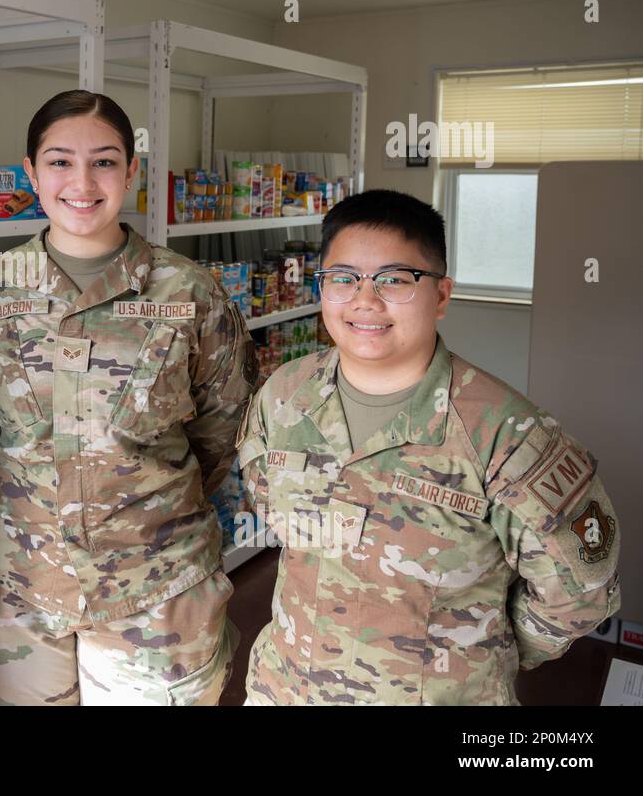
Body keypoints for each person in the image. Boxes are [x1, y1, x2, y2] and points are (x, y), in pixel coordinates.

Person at [236, 189, 621, 705]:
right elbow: (267, 508)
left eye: (395, 279)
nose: (365, 301)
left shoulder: (509, 436)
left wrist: (475, 652)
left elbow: (576, 596)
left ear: (441, 295)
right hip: (284, 687)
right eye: (342, 278)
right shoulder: (283, 395)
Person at [0, 90, 257, 705]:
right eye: (60, 161)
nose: (82, 182)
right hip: (22, 589)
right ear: (30, 172)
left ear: (132, 171)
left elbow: (224, 431)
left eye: (105, 161)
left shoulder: (190, 292)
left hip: (157, 590)